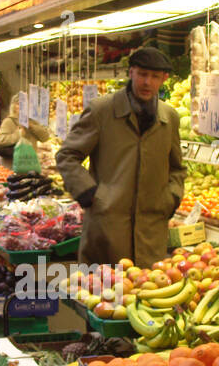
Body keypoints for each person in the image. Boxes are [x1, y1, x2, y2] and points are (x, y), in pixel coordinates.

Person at [55, 46, 185, 269]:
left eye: (155, 77)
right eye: (142, 74)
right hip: (107, 227)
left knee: (146, 293)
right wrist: (90, 193)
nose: (147, 82)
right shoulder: (102, 111)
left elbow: (177, 168)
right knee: (104, 296)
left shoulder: (169, 117)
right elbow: (67, 155)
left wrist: (171, 197)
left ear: (164, 79)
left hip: (151, 232)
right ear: (131, 72)